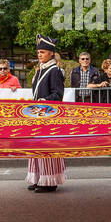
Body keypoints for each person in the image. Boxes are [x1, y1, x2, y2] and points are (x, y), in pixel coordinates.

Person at [26, 35, 66, 193]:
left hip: (48, 116)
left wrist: (44, 100)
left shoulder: (54, 71)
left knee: (47, 148)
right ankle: (39, 178)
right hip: (38, 115)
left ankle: (50, 181)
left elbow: (58, 94)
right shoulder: (41, 70)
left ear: (51, 53)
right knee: (36, 147)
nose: (39, 54)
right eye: (38, 52)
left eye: (42, 52)